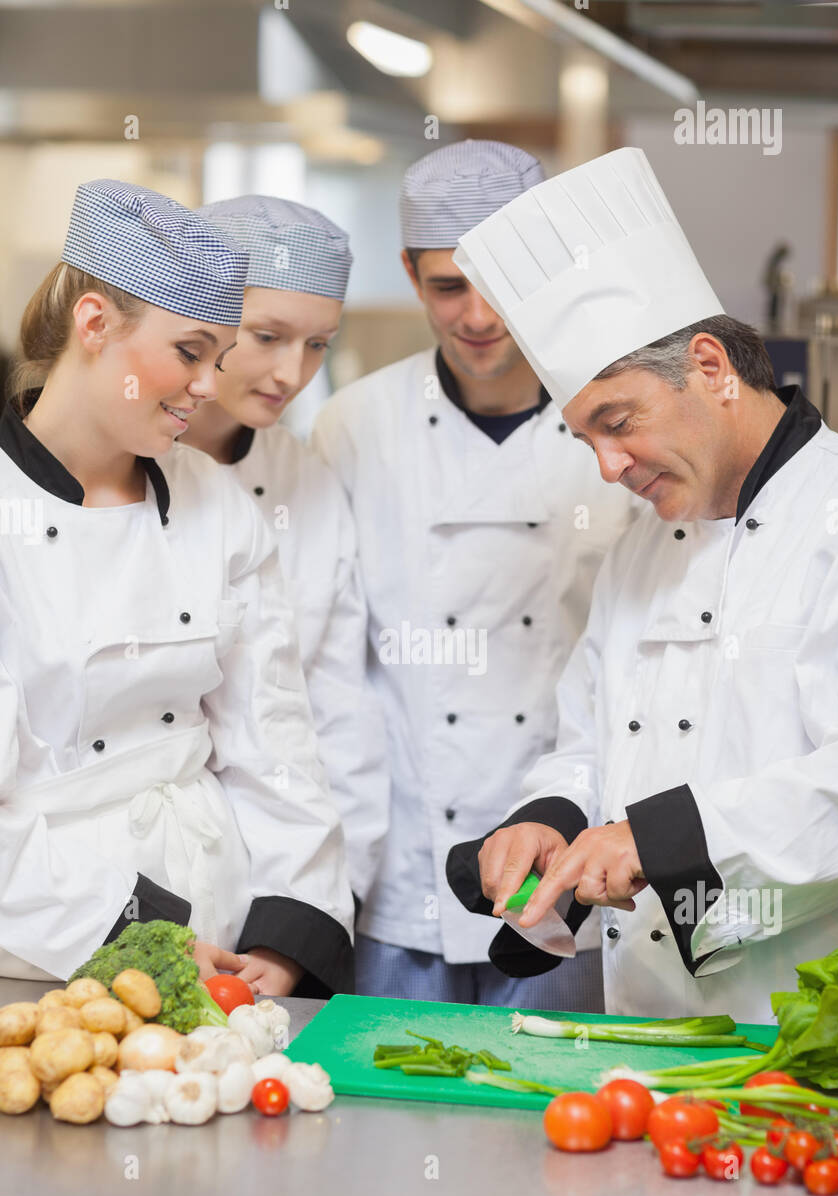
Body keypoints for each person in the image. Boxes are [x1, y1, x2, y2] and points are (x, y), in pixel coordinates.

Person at [447, 146, 838, 1023]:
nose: (606, 467)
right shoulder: (642, 546)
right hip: (643, 1013)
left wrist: (658, 842)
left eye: (619, 422)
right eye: (584, 438)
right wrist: (552, 818)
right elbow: (592, 736)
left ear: (711, 367)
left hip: (807, 1017)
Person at [0, 180, 353, 998]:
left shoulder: (217, 503)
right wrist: (137, 931)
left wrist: (286, 928)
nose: (206, 384)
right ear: (93, 324)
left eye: (217, 359)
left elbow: (276, 739)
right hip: (47, 950)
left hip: (218, 929)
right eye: (189, 351)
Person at [313, 140, 641, 1008]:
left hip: (569, 858)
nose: (477, 316)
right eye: (447, 285)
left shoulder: (620, 428)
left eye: (499, 283)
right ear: (409, 275)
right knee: (385, 1126)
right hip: (407, 861)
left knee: (544, 1124)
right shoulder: (354, 426)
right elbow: (326, 667)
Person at [166, 195, 387, 919]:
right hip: (131, 882)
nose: (293, 372)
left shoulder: (307, 483)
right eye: (267, 336)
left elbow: (336, 710)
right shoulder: (114, 465)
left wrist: (323, 908)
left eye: (319, 344)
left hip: (285, 879)